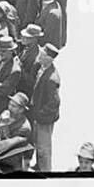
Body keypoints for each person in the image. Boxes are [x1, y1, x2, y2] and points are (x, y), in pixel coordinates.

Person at [29, 42, 61, 171]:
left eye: (42, 55)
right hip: (38, 113)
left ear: (49, 59)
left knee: (44, 147)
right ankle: (38, 165)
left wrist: (40, 114)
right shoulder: (42, 68)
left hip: (44, 119)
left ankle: (45, 170)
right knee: (38, 143)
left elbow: (54, 103)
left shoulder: (52, 79)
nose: (39, 57)